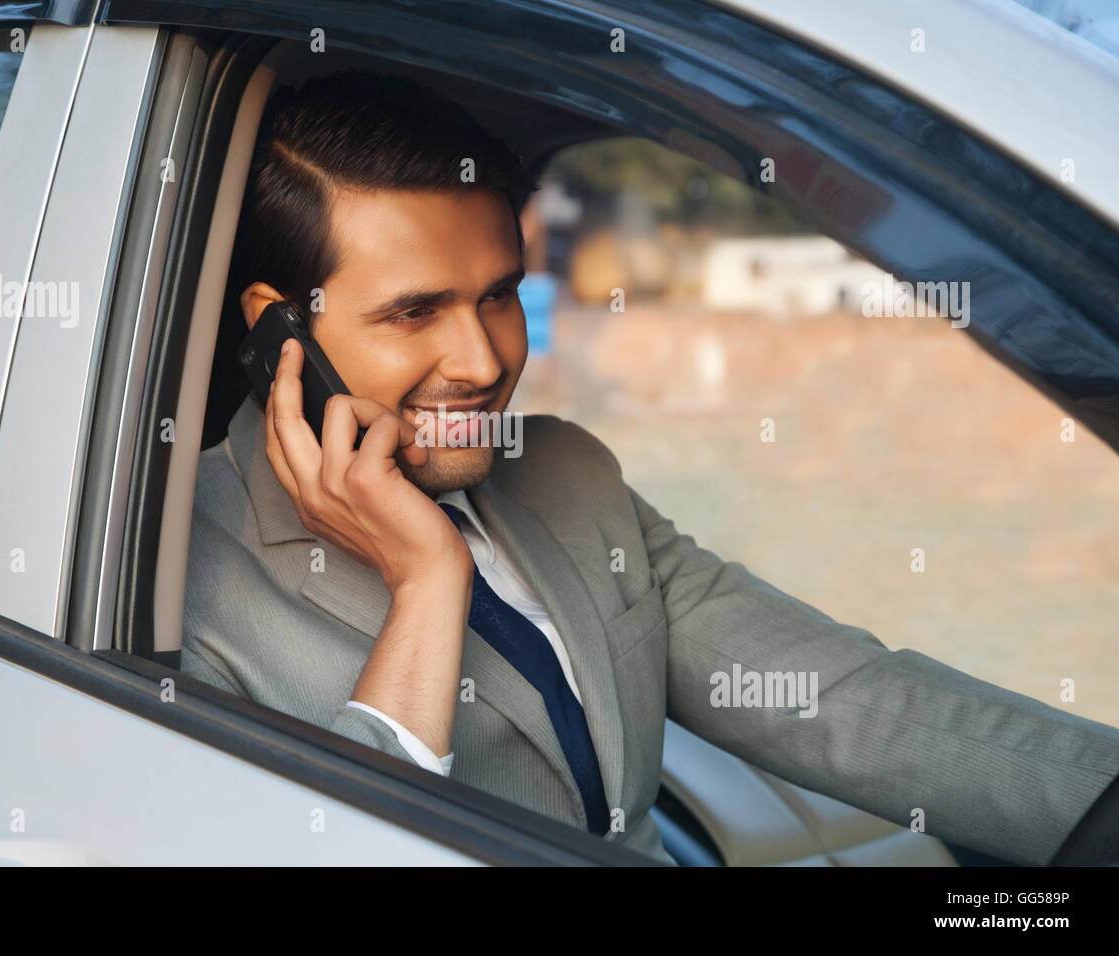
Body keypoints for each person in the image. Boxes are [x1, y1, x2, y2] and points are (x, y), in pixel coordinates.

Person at [181, 69, 1119, 865]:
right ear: (279, 327)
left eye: (499, 295)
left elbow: (844, 700)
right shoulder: (175, 585)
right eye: (414, 312)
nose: (483, 360)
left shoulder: (564, 475)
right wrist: (429, 584)